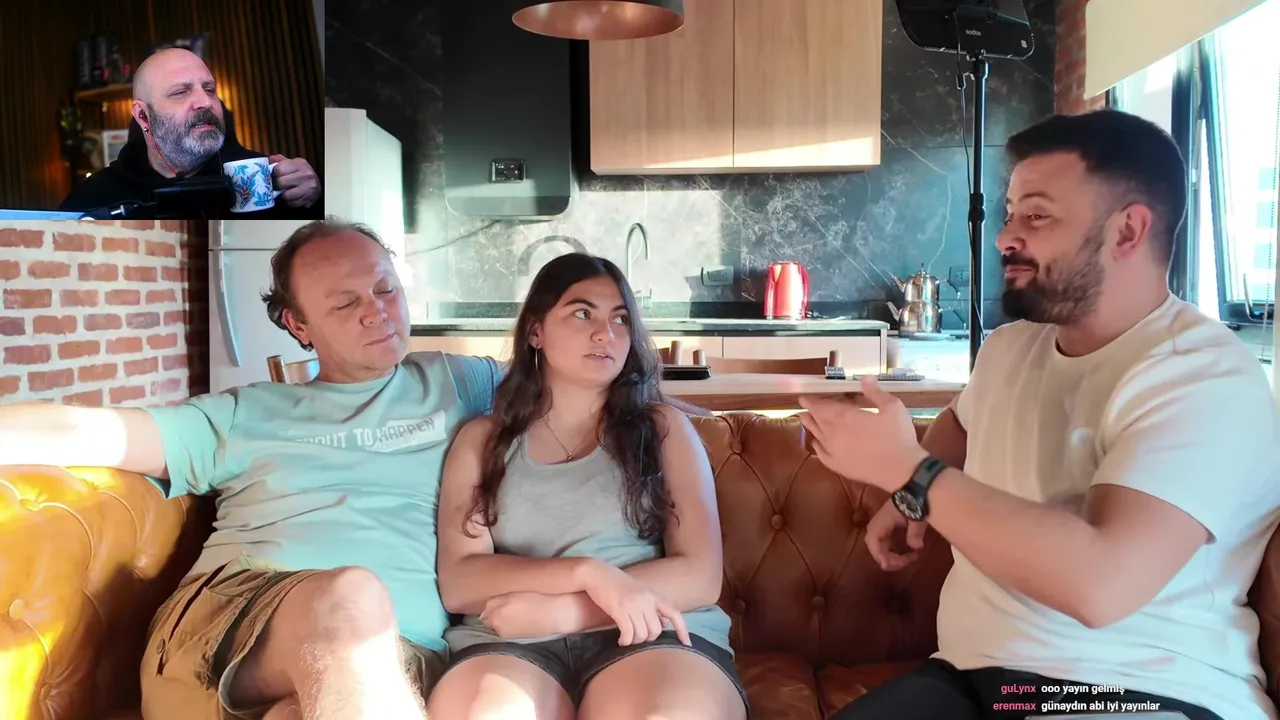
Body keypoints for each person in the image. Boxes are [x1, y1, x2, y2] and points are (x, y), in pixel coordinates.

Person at [800, 109, 1280, 720]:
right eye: (1009, 214)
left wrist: (910, 472)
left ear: (1127, 231)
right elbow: (962, 427)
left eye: (1036, 216)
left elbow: (1102, 584)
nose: (1004, 237)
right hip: (974, 680)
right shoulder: (1011, 348)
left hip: (1131, 690)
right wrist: (907, 498)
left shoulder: (1201, 376)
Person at [427, 253, 748, 719]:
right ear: (535, 331)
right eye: (582, 313)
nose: (605, 333)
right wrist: (587, 574)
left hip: (652, 634)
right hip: (509, 642)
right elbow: (460, 581)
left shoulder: (665, 429)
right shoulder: (482, 441)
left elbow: (700, 576)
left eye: (620, 319)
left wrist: (564, 612)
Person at [57, 48, 321, 220]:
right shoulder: (92, 200)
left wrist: (317, 198)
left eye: (209, 89)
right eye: (181, 92)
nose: (205, 102)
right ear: (143, 115)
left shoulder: (269, 181)